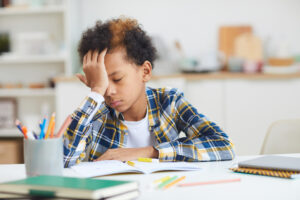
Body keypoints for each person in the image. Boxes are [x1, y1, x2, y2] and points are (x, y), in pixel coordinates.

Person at [63, 17, 235, 167]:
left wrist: (149, 152)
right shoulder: (97, 111)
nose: (109, 91)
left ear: (145, 71)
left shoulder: (169, 101)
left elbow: (223, 145)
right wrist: (95, 93)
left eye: (117, 79)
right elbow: (62, 160)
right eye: (102, 82)